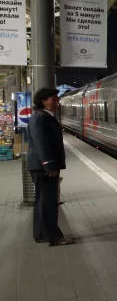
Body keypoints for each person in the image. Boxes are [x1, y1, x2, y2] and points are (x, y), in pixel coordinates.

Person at [28, 88, 74, 246]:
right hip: (44, 168)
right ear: (43, 100)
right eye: (53, 99)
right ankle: (53, 237)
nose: (57, 102)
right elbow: (42, 144)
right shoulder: (40, 118)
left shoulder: (41, 116)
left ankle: (40, 234)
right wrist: (49, 166)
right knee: (48, 204)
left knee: (42, 202)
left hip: (41, 166)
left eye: (56, 99)